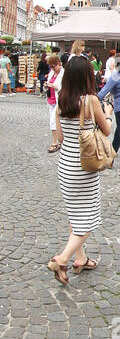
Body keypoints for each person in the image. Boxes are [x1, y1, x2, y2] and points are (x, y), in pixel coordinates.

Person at [49, 54, 110, 285]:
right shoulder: (91, 101)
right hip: (84, 167)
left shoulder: (62, 100)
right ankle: (61, 259)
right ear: (87, 76)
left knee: (75, 215)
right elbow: (105, 131)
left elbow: (62, 137)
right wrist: (109, 115)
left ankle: (80, 259)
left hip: (65, 165)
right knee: (88, 220)